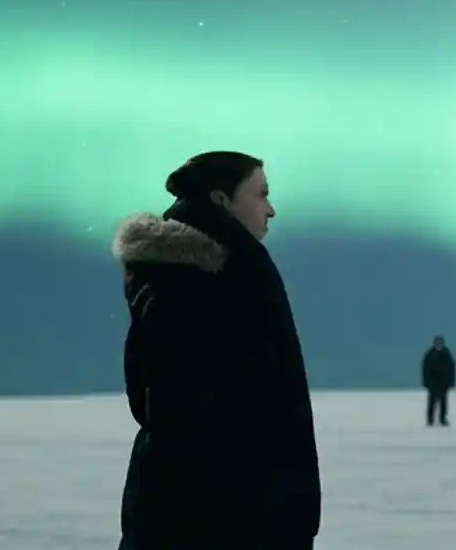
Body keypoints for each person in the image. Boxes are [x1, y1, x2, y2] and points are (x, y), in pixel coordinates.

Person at [111, 151, 320, 549]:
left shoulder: (218, 275)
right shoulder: (192, 283)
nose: (271, 209)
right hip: (212, 524)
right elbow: (185, 417)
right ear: (221, 200)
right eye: (260, 194)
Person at [421, 335, 456, 426]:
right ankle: (430, 420)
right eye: (437, 343)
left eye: (440, 343)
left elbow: (451, 369)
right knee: (432, 403)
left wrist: (451, 382)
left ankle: (442, 419)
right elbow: (425, 370)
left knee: (443, 403)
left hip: (444, 384)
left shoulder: (446, 354)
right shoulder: (430, 355)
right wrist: (426, 383)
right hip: (433, 384)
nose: (438, 344)